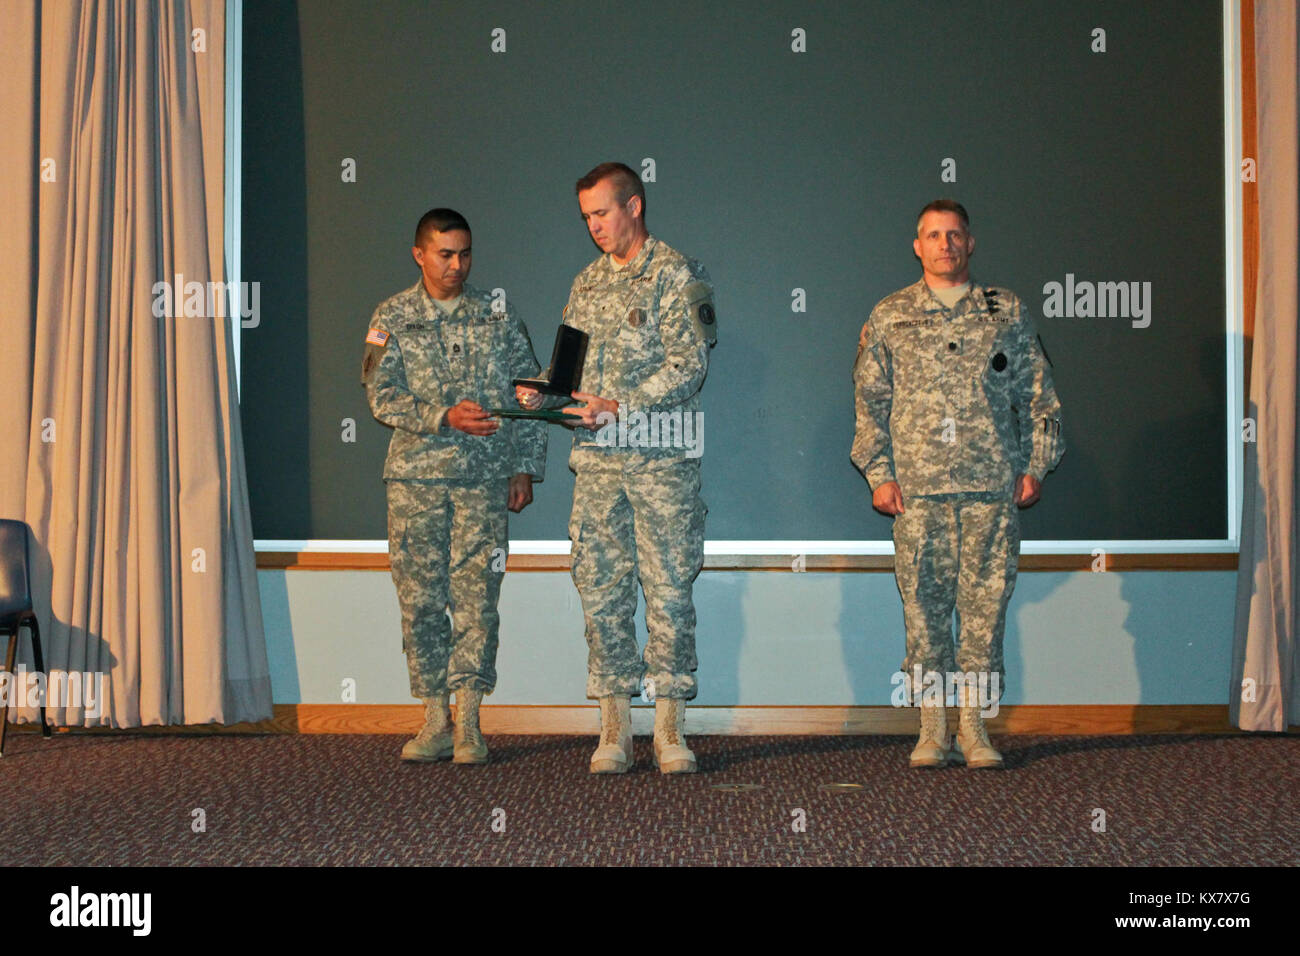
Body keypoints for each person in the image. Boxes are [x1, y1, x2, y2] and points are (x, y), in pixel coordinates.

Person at [518, 162, 716, 774]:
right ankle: (613, 728)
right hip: (600, 466)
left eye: (602, 213)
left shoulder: (678, 273)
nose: (594, 227)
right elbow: (569, 371)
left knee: (667, 591)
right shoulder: (585, 284)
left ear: (635, 205)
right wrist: (544, 394)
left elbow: (691, 365)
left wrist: (622, 407)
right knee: (601, 590)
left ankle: (669, 729)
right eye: (586, 218)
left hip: (661, 463)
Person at [852, 199, 1063, 770]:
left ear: (970, 244)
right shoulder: (892, 315)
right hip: (917, 495)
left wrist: (1034, 466)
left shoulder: (1006, 312)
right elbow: (870, 405)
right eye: (933, 235)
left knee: (985, 611)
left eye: (955, 235)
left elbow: (1040, 398)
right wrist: (879, 473)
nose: (945, 244)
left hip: (991, 491)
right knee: (923, 611)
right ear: (917, 246)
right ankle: (932, 729)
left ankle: (974, 729)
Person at [362, 207, 546, 764]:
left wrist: (523, 465)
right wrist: (443, 416)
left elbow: (531, 389)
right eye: (445, 254)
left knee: (476, 601)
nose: (457, 265)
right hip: (415, 482)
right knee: (420, 602)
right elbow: (380, 396)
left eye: (465, 253)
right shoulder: (391, 315)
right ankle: (434, 718)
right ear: (419, 254)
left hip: (483, 482)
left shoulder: (497, 311)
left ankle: (469, 723)